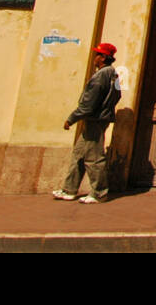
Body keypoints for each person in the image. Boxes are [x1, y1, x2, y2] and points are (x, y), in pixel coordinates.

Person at [52, 43, 121, 204]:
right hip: (99, 118)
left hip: (94, 120)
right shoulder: (114, 75)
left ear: (103, 57)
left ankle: (99, 192)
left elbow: (89, 102)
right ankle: (69, 189)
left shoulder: (100, 76)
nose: (94, 58)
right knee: (79, 155)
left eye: (97, 55)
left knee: (94, 157)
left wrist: (72, 118)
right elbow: (117, 95)